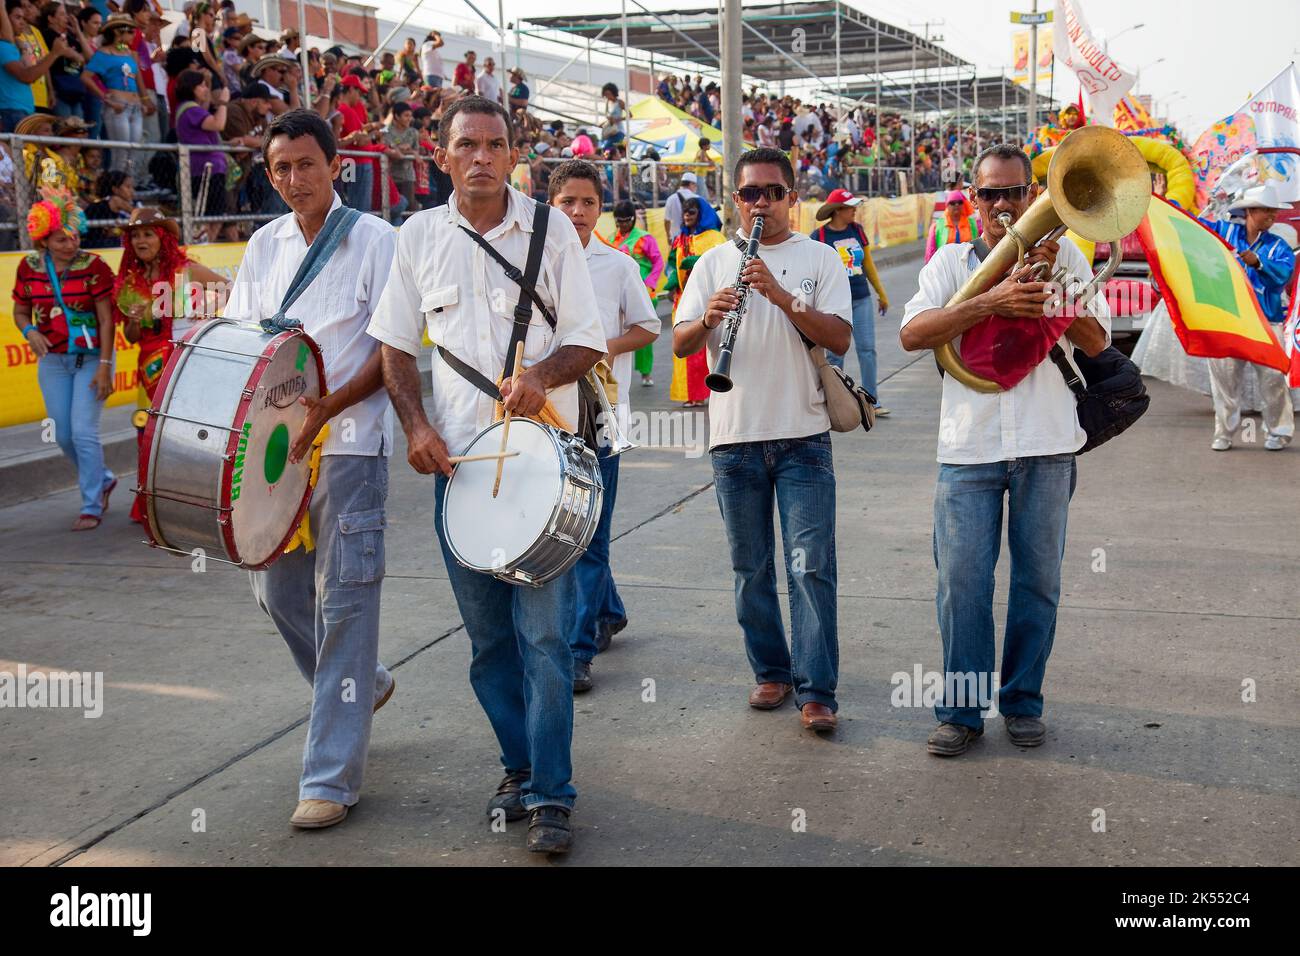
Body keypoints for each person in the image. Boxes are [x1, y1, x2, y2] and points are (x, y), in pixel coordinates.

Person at [367, 95, 606, 855]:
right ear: (440, 155)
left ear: (512, 154)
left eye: (495, 145)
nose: (480, 157)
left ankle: (553, 794)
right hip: (459, 470)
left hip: (541, 470)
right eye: (465, 144)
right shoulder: (419, 239)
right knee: (488, 646)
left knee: (543, 641)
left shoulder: (552, 232)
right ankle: (519, 765)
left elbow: (589, 340)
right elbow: (397, 348)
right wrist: (417, 426)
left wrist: (540, 372)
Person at [900, 143, 1111, 757]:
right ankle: (961, 713)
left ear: (1031, 196)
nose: (1001, 205)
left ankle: (1022, 703)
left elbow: (1097, 341)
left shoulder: (1066, 252)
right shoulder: (947, 261)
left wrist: (1054, 295)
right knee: (961, 585)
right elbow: (913, 333)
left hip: (1047, 443)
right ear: (973, 197)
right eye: (989, 193)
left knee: (1038, 583)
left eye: (1015, 193)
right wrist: (991, 301)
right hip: (968, 450)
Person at [223, 109, 399, 830]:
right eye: (282, 168)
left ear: (336, 165)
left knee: (346, 603)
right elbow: (241, 338)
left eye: (307, 163)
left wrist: (329, 407)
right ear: (269, 175)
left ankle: (330, 777)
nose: (296, 178)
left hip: (352, 443)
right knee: (277, 594)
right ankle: (368, 683)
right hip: (276, 453)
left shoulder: (377, 241)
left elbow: (395, 351)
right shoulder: (263, 245)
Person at [673, 147, 851, 733]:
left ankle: (817, 688)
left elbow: (841, 339)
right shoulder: (712, 263)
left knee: (811, 567)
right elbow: (679, 343)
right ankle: (770, 671)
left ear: (791, 198)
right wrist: (707, 320)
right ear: (735, 199)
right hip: (735, 439)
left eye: (773, 192)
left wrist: (778, 294)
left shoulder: (819, 259)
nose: (761, 203)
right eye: (750, 193)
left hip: (804, 438)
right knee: (750, 569)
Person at [547, 161, 660, 692]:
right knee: (562, 534)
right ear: (551, 205)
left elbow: (648, 326)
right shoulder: (533, 265)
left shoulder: (617, 267)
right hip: (544, 419)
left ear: (599, 208)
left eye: (587, 202)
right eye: (567, 201)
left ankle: (576, 650)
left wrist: (600, 346)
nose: (577, 212)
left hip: (601, 420)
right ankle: (608, 608)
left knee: (587, 538)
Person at [11, 189, 118, 531]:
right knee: (62, 434)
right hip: (53, 361)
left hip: (90, 359)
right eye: (60, 240)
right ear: (43, 240)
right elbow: (19, 310)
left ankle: (91, 504)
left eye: (73, 237)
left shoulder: (94, 266)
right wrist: (29, 331)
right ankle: (102, 478)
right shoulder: (28, 268)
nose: (70, 245)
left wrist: (105, 366)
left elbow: (106, 320)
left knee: (84, 432)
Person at [112, 207, 226, 522]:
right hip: (149, 366)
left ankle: (193, 499)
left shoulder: (186, 271)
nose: (141, 241)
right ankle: (152, 506)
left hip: (184, 362)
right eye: (135, 235)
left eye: (147, 234)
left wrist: (206, 312)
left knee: (185, 432)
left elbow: (229, 290)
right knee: (148, 432)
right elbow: (132, 335)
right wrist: (134, 320)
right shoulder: (130, 281)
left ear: (162, 238)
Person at [1202, 184, 1296, 452]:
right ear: (1250, 211)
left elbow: (1283, 276)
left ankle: (1278, 432)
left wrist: (1258, 263)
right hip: (1228, 320)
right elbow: (1194, 229)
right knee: (1224, 380)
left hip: (1267, 322)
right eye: (1267, 210)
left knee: (1274, 378)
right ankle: (1224, 432)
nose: (1273, 216)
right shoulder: (1225, 233)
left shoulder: (1278, 246)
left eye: (1274, 211)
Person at [812, 187, 890, 415]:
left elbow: (868, 265)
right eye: (850, 207)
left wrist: (881, 293)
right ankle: (835, 402)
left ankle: (871, 402)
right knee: (835, 354)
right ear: (838, 211)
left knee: (867, 350)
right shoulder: (820, 237)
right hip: (834, 304)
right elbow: (814, 273)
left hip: (861, 298)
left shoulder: (858, 230)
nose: (855, 211)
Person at [666, 196, 724, 406]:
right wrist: (672, 285)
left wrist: (697, 262)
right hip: (682, 299)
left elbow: (721, 263)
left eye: (692, 212)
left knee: (702, 351)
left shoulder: (714, 238)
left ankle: (703, 393)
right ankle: (689, 395)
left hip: (706, 301)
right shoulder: (681, 238)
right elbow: (672, 262)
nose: (687, 215)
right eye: (685, 212)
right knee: (683, 350)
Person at [82, 15, 153, 175]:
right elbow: (85, 77)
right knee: (120, 155)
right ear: (116, 32)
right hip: (117, 107)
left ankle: (128, 192)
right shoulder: (103, 53)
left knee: (133, 155)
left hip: (134, 107)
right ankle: (115, 192)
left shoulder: (128, 53)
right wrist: (106, 98)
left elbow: (135, 78)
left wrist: (144, 100)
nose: (133, 34)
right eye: (129, 31)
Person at [608, 199, 664, 387]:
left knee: (642, 333)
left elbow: (658, 262)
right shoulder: (610, 240)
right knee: (614, 334)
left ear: (633, 219)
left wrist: (651, 282)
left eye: (626, 220)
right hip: (616, 294)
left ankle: (646, 372)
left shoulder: (644, 238)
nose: (623, 225)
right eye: (619, 221)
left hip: (643, 293)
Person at [173, 68, 232, 242]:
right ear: (191, 88)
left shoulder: (193, 109)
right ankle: (206, 245)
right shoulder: (191, 110)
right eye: (201, 85)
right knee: (208, 215)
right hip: (205, 170)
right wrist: (223, 103)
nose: (206, 89)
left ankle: (209, 243)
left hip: (210, 169)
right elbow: (218, 124)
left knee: (216, 213)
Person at [0, 0, 68, 132]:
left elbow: (31, 71)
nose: (22, 22)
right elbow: (27, 76)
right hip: (10, 112)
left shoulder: (12, 46)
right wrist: (54, 54)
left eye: (24, 18)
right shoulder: (3, 47)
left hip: (21, 111)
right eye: (17, 17)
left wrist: (24, 49)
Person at [383, 100, 420, 217]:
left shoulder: (413, 132)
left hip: (407, 176)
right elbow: (387, 147)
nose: (409, 118)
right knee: (391, 208)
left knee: (409, 209)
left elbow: (416, 150)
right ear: (396, 116)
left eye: (410, 115)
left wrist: (408, 150)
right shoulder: (386, 130)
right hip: (389, 176)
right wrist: (404, 149)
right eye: (406, 115)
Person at [82, 168, 134, 248]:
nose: (132, 191)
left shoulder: (106, 200)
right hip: (95, 242)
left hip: (93, 241)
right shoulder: (115, 200)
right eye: (128, 187)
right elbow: (137, 213)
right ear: (115, 189)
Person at [926, 188, 978, 263]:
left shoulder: (972, 223)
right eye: (953, 203)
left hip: (968, 266)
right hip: (945, 266)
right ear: (947, 205)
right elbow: (930, 252)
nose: (956, 205)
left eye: (960, 202)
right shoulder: (936, 226)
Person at [662, 170, 698, 248]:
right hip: (693, 241)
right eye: (695, 185)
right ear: (691, 184)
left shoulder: (671, 199)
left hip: (677, 241)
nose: (695, 188)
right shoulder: (698, 199)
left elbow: (667, 221)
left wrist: (668, 235)